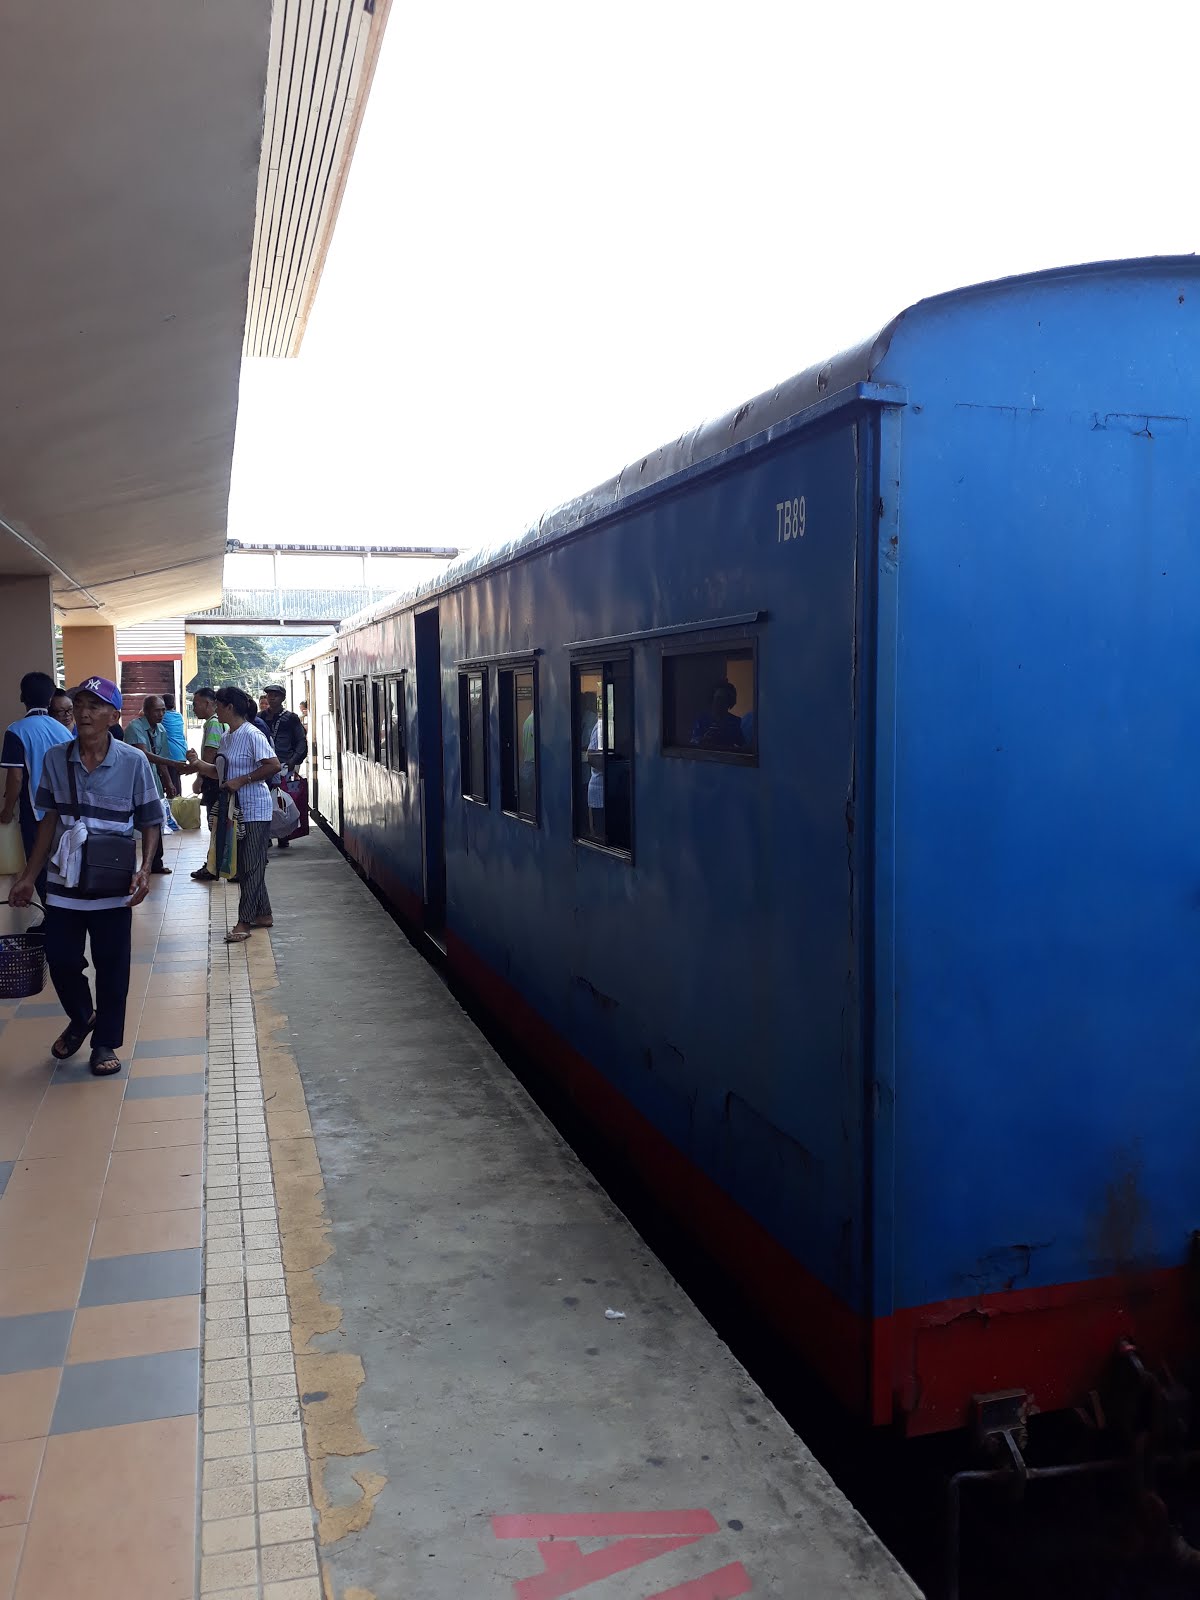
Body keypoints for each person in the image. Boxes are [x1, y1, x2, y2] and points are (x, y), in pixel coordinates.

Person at [7, 676, 162, 1075]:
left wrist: (144, 870)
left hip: (112, 884)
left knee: (112, 966)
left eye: (95, 706)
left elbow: (149, 821)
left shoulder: (133, 761)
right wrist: (28, 876)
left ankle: (105, 1041)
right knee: (59, 958)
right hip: (64, 882)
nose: (85, 712)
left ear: (113, 715)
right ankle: (82, 1017)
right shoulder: (57, 758)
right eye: (80, 705)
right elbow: (48, 822)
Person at [185, 685, 279, 943]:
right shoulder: (227, 736)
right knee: (250, 864)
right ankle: (263, 914)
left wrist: (243, 780)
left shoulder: (252, 734)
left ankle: (243, 922)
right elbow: (218, 771)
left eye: (218, 705)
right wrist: (197, 764)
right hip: (234, 810)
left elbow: (273, 765)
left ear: (229, 707)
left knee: (250, 866)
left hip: (255, 809)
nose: (215, 710)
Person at [1, 671, 74, 926]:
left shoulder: (16, 731)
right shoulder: (64, 731)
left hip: (35, 812)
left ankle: (55, 921)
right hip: (66, 811)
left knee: (38, 867)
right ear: (51, 697)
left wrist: (7, 810)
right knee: (60, 865)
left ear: (22, 696)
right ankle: (62, 918)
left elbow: (16, 778)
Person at [125, 696, 186, 873]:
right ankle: (128, 864)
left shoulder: (161, 730)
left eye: (163, 710)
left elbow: (162, 759)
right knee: (135, 823)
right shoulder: (135, 727)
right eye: (156, 710)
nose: (160, 714)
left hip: (153, 781)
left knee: (155, 821)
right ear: (146, 711)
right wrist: (174, 764)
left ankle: (155, 863)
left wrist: (168, 781)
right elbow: (144, 754)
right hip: (134, 782)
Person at [259, 685, 307, 847]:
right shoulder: (260, 718)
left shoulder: (291, 718)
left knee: (283, 802)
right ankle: (266, 835)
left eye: (275, 695)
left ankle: (283, 835)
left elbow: (301, 741)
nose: (271, 698)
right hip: (264, 766)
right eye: (269, 695)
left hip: (284, 766)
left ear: (282, 698)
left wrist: (293, 760)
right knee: (265, 801)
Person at [189, 687, 227, 883]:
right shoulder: (217, 723)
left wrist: (200, 777)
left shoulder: (213, 724)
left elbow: (210, 752)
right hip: (219, 780)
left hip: (213, 781)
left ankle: (213, 866)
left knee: (215, 824)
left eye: (196, 704)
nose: (194, 708)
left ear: (208, 703)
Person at [690, 681, 745, 752]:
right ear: (712, 699)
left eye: (724, 699)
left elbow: (743, 745)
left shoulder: (735, 721)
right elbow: (693, 742)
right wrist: (703, 740)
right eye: (717, 698)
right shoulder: (701, 720)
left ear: (730, 701)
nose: (719, 702)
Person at [161, 693, 188, 761]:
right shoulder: (179, 715)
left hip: (171, 754)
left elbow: (142, 713)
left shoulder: (162, 716)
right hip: (182, 750)